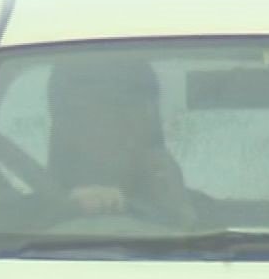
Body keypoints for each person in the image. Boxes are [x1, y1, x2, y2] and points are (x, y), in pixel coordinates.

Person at [45, 55, 195, 225]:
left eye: (141, 107)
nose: (132, 124)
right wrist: (69, 209)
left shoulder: (209, 222)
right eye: (110, 107)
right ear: (65, 125)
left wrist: (181, 211)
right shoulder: (27, 223)